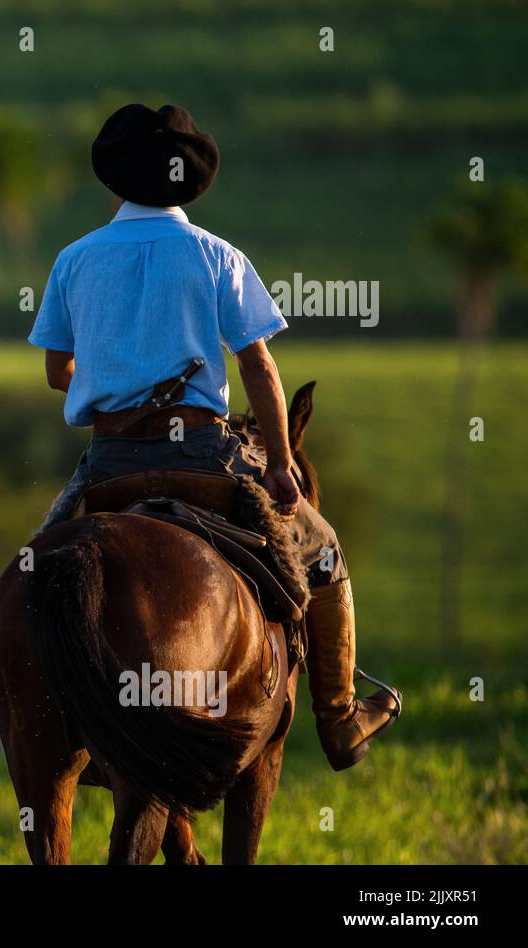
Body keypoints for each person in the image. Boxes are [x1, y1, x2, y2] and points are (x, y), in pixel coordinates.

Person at [29, 103, 400, 770]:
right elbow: (256, 362)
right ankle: (340, 718)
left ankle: (51, 726)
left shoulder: (74, 260)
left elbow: (60, 372)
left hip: (110, 465)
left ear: (114, 182)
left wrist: (110, 375)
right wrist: (283, 464)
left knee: (34, 574)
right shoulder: (216, 255)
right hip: (204, 458)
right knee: (325, 556)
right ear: (187, 180)